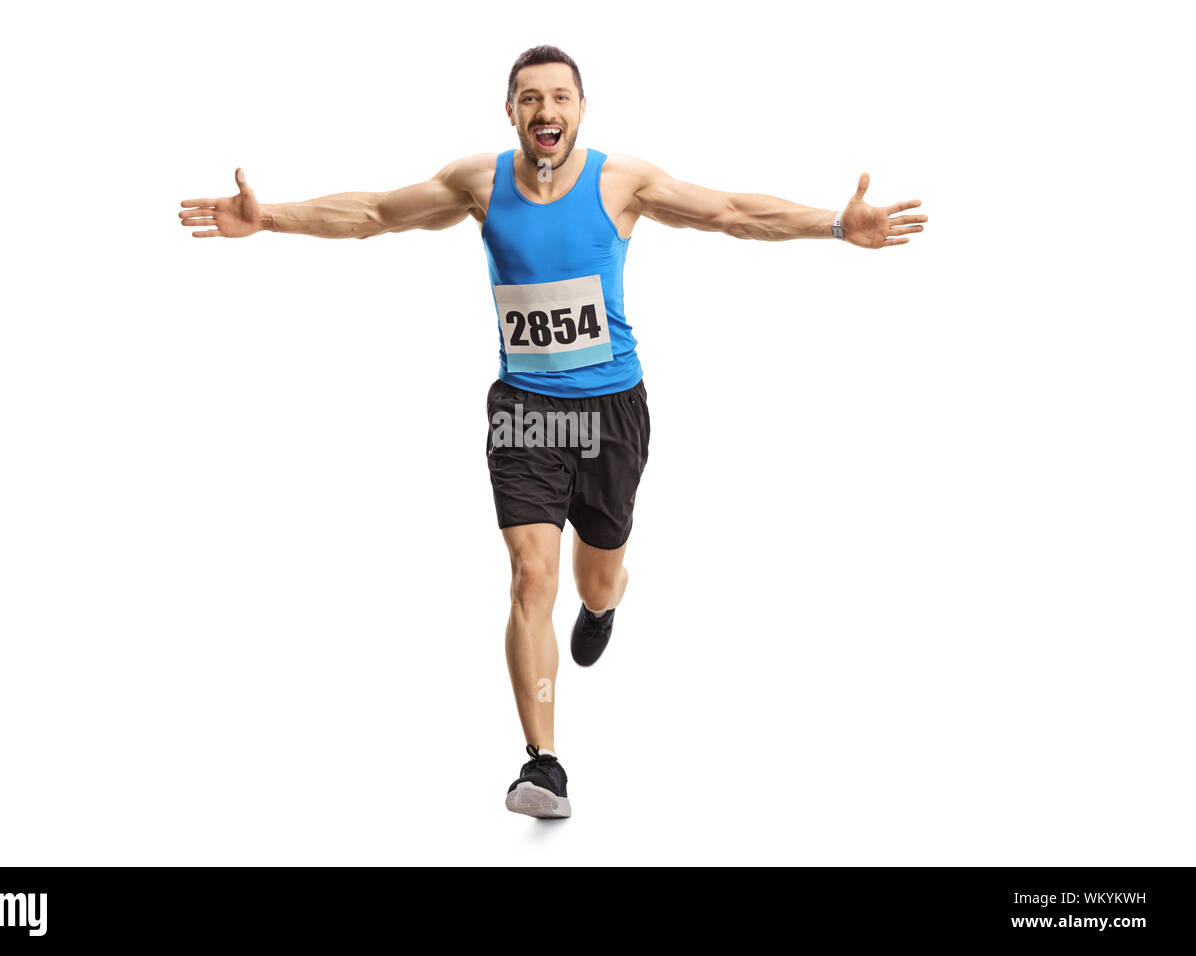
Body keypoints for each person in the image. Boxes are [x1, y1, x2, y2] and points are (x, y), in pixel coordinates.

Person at [178, 45, 927, 819]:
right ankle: (544, 763)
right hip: (524, 410)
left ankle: (603, 605)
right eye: (530, 98)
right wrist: (265, 218)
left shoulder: (620, 181)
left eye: (560, 98)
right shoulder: (478, 182)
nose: (546, 111)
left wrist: (837, 224)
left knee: (592, 578)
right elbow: (373, 214)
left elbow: (732, 214)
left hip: (613, 412)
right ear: (512, 112)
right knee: (533, 575)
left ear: (579, 110)